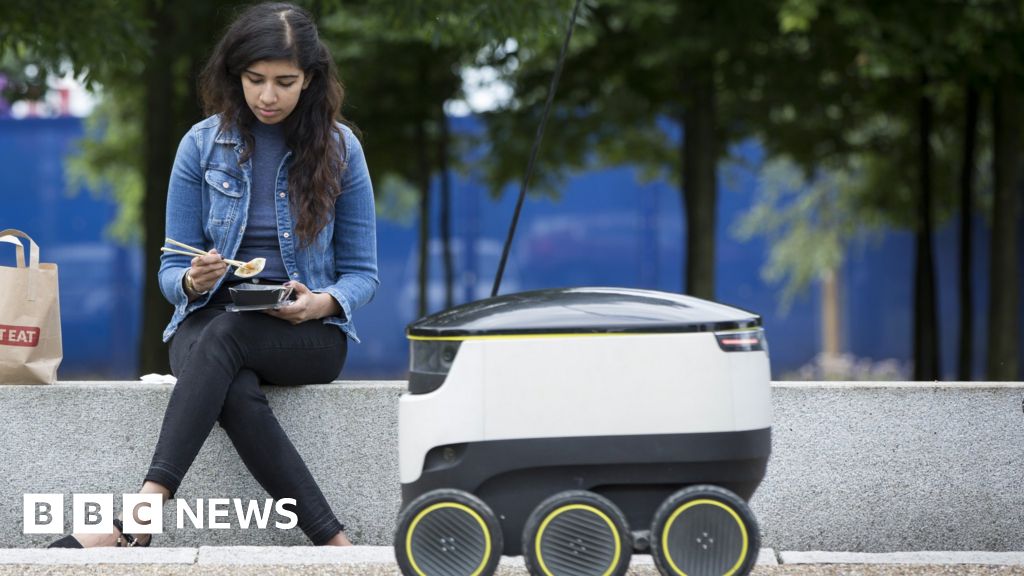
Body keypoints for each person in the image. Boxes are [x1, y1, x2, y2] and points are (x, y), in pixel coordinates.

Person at [49, 1, 377, 548]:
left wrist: (319, 303)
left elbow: (362, 275)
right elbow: (170, 269)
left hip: (306, 335)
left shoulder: (342, 150)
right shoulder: (201, 145)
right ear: (235, 75)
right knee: (231, 375)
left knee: (225, 340)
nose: (267, 96)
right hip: (207, 324)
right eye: (254, 80)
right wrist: (194, 281)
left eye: (284, 81)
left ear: (311, 80)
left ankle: (140, 517)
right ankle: (333, 541)